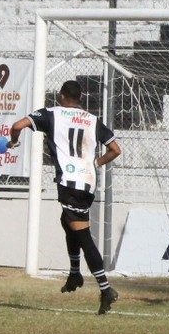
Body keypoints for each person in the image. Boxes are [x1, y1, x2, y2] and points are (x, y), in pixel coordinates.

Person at [8, 79, 121, 314]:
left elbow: (17, 125)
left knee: (84, 236)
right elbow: (115, 150)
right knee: (66, 221)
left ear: (61, 96)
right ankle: (74, 274)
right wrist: (95, 163)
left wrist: (12, 142)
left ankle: (105, 288)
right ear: (80, 98)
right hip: (87, 182)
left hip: (70, 183)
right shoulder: (92, 120)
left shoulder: (52, 114)